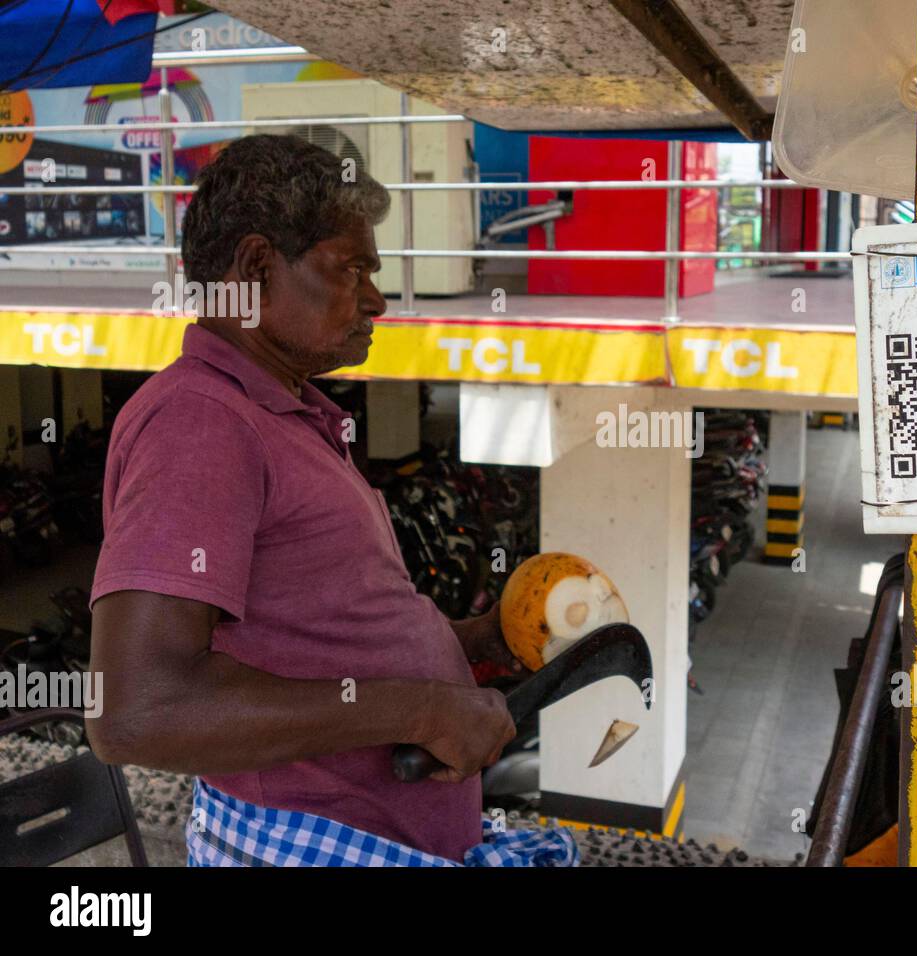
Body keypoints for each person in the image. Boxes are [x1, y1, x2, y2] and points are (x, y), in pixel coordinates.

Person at [86, 134, 570, 866]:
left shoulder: (283, 411)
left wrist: (475, 641)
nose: (375, 298)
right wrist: (423, 707)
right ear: (255, 269)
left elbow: (310, 637)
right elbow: (135, 711)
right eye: (353, 269)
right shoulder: (201, 423)